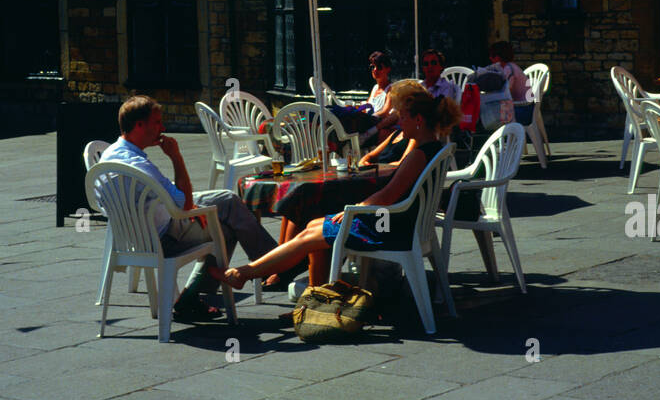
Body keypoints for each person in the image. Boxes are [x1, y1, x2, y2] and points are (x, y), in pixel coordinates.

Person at [223, 80, 462, 289]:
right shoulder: (434, 149)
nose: (400, 123)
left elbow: (388, 195)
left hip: (391, 229)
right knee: (313, 224)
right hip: (401, 224)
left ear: (418, 120)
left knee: (310, 235)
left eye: (404, 117)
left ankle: (247, 273)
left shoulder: (417, 155)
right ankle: (278, 279)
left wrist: (352, 209)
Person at [99, 96, 278, 321]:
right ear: (139, 125)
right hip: (166, 235)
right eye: (157, 122)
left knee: (228, 199)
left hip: (135, 236)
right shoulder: (139, 165)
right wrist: (176, 157)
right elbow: (183, 203)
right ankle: (272, 264)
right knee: (225, 228)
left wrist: (190, 206)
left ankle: (271, 262)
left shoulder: (109, 156)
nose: (162, 128)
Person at [358, 48, 457, 168]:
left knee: (380, 131)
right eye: (426, 64)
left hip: (423, 127)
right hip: (405, 126)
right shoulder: (419, 86)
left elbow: (439, 112)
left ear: (441, 66)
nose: (429, 66)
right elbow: (397, 113)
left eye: (433, 63)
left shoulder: (447, 87)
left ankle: (365, 135)